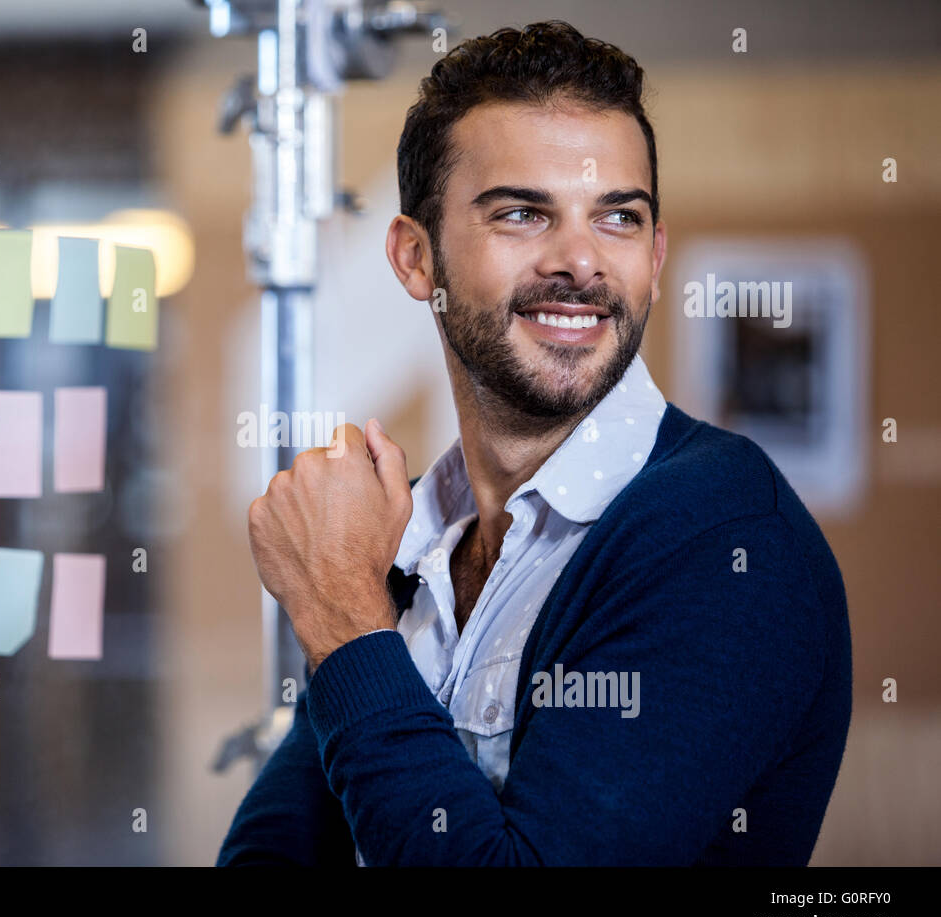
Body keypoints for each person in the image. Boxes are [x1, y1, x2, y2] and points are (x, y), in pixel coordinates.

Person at [217, 20, 852, 866]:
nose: (580, 263)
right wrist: (353, 615)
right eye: (523, 213)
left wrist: (342, 621)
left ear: (656, 258)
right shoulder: (420, 545)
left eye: (617, 219)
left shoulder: (725, 538)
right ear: (415, 259)